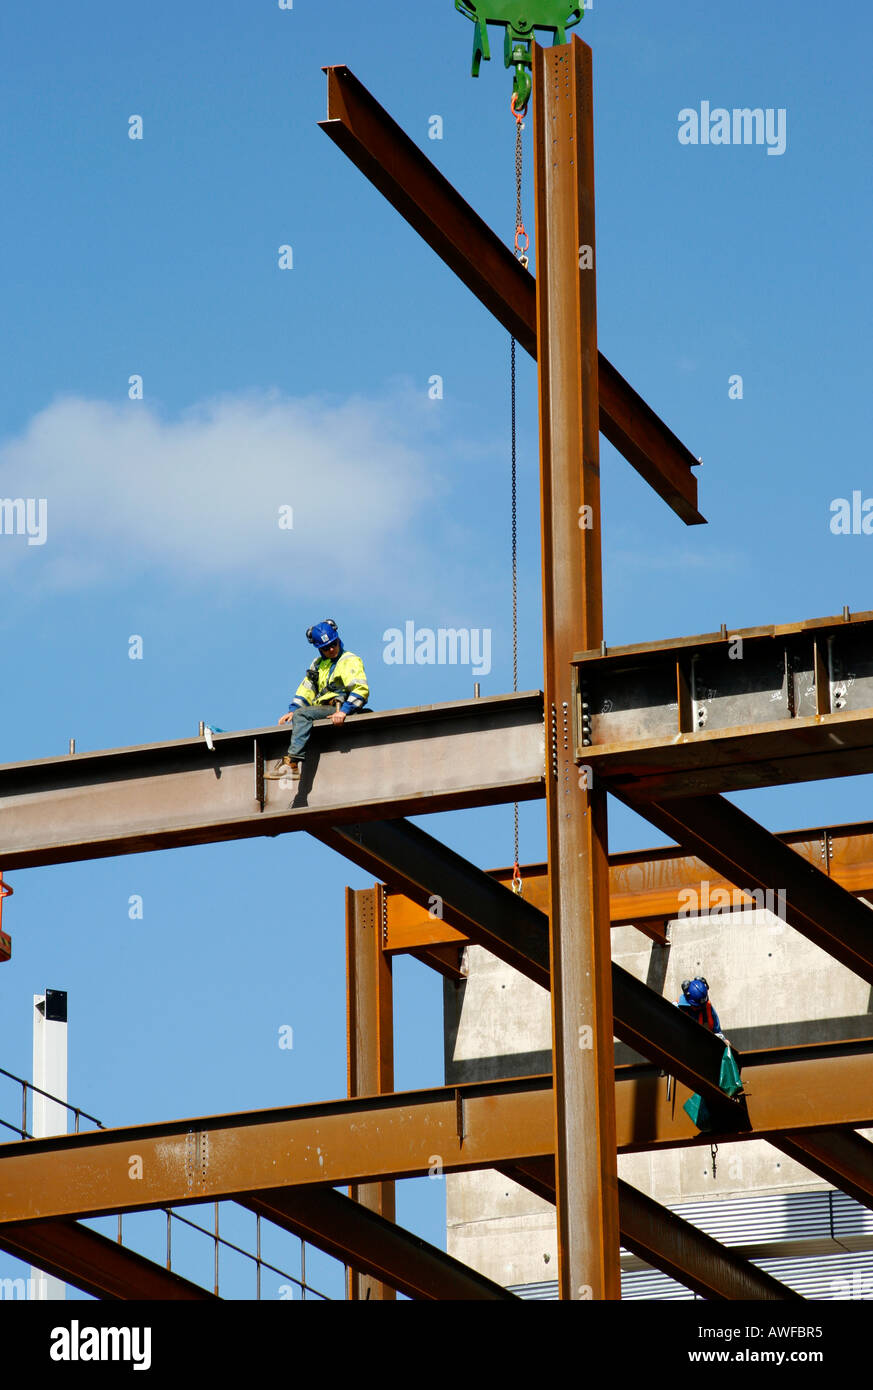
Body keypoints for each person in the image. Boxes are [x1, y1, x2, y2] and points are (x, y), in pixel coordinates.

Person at [265, 619, 369, 781]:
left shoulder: (349, 660)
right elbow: (306, 690)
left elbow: (360, 689)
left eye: (334, 644)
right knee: (299, 714)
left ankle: (292, 763)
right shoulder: (318, 664)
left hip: (340, 708)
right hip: (325, 709)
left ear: (337, 639)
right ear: (319, 649)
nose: (332, 649)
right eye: (326, 648)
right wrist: (292, 711)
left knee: (302, 715)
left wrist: (343, 711)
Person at [677, 977, 729, 1044]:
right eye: (697, 1006)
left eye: (702, 1005)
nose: (701, 1008)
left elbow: (717, 1031)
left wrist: (723, 1040)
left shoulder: (708, 1008)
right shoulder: (676, 1009)